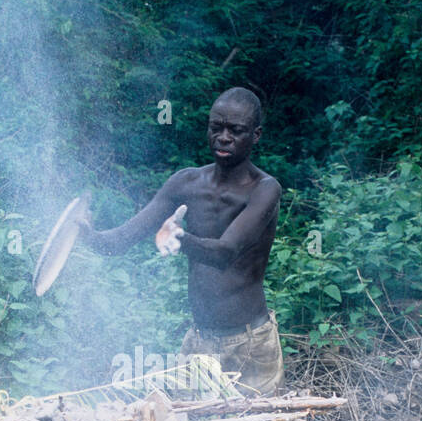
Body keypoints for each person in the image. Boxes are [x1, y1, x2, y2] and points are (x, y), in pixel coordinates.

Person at [77, 87, 285, 395]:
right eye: (216, 128)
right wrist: (85, 235)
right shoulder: (185, 182)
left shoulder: (265, 189)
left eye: (235, 131)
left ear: (255, 135)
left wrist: (179, 238)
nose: (224, 137)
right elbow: (120, 241)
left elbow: (225, 252)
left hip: (250, 345)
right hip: (200, 342)